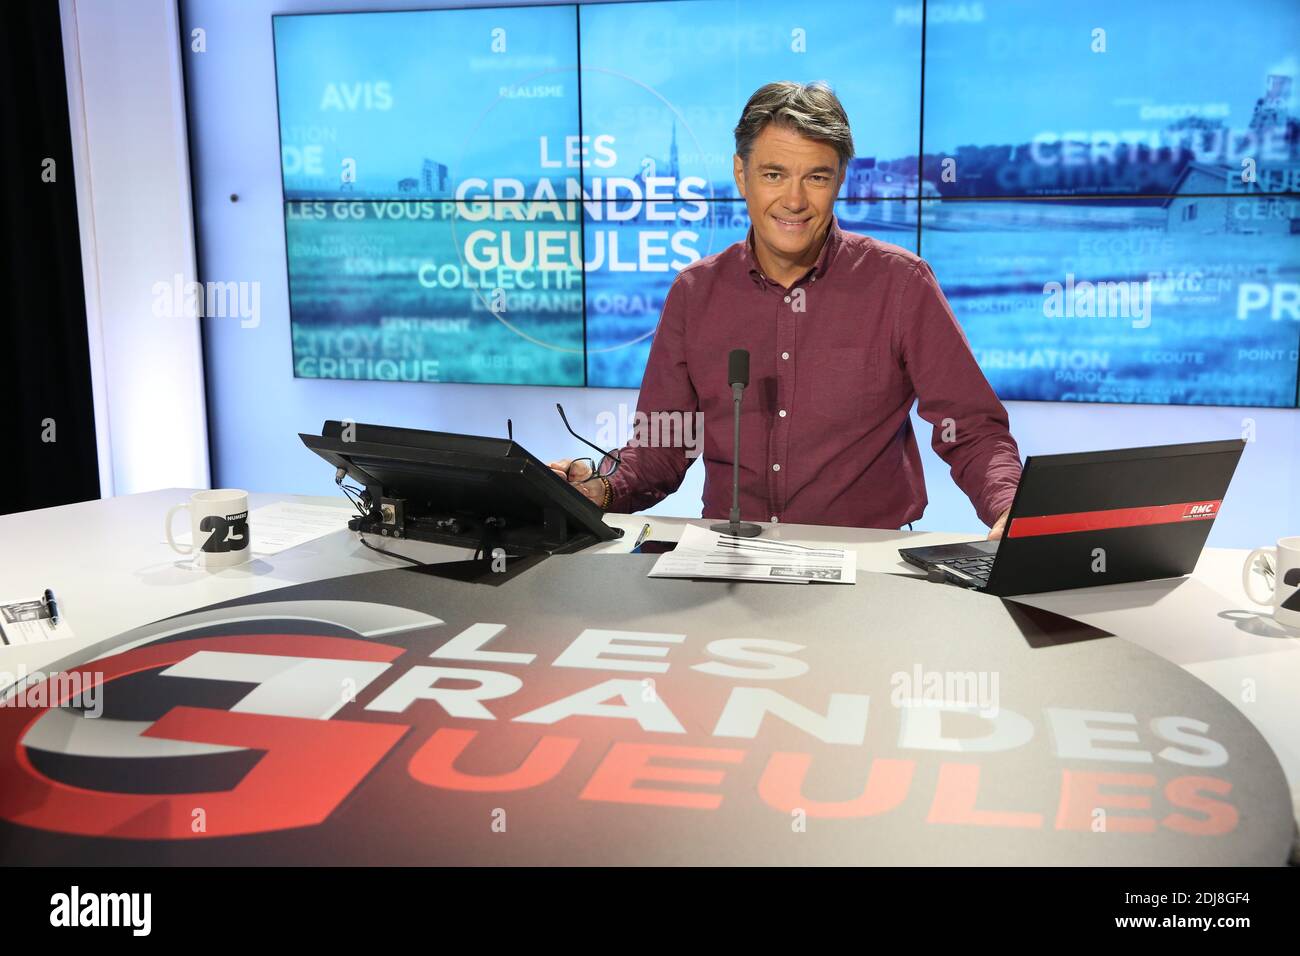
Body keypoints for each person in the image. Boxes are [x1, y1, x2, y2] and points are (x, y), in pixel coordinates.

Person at [550, 80, 1021, 538]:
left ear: (840, 179)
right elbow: (662, 447)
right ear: (741, 174)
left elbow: (973, 429)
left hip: (864, 563)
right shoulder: (694, 293)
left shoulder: (901, 283)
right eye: (774, 175)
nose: (794, 201)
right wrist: (600, 489)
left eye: (816, 177)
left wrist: (1010, 509)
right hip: (726, 555)